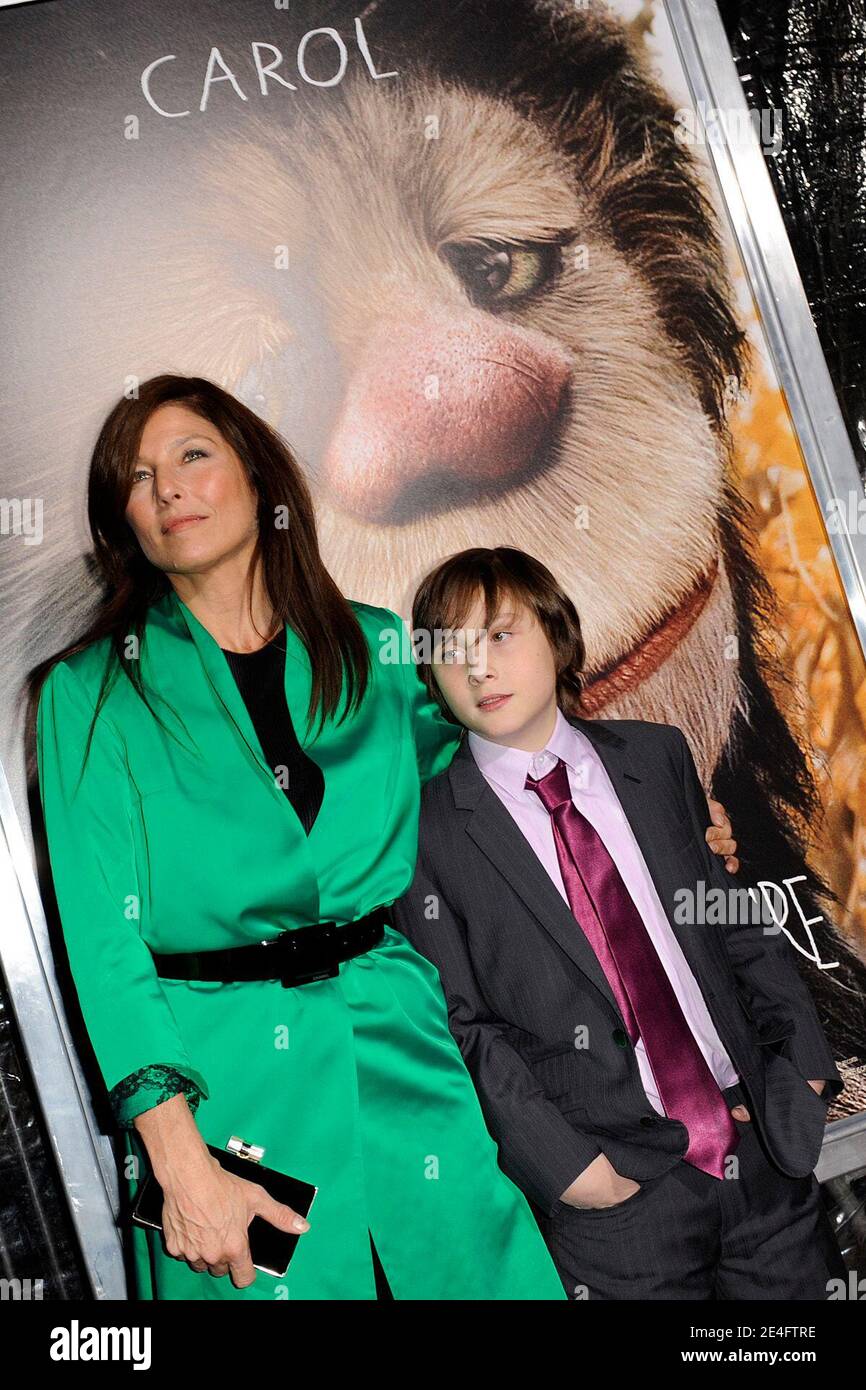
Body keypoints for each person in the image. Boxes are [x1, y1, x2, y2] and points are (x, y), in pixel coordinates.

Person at [31, 375, 572, 1301]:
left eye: (192, 455)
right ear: (123, 521)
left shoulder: (379, 651)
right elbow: (102, 943)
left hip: (401, 1052)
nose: (167, 488)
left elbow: (502, 755)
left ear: (257, 473)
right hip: (222, 1097)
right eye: (137, 476)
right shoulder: (90, 696)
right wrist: (179, 1163)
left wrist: (646, 806)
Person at [391, 545, 846, 1300]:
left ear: (559, 636)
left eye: (501, 636)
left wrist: (801, 1064)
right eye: (451, 652)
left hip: (759, 1149)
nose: (478, 669)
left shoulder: (656, 756)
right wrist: (568, 1169)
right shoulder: (429, 832)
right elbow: (461, 1025)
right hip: (615, 1200)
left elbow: (732, 920)